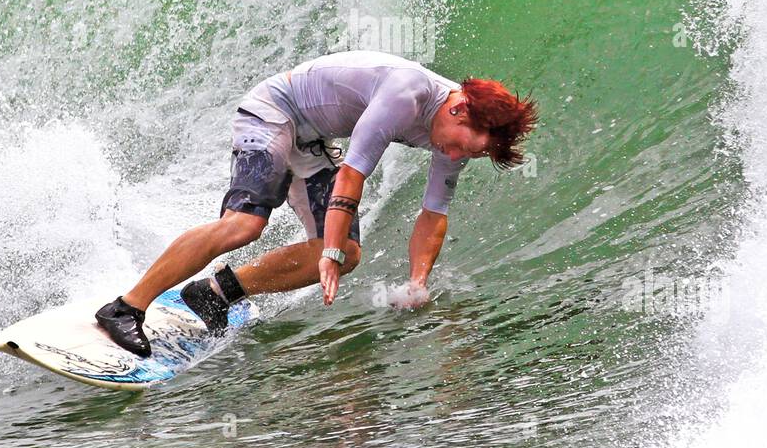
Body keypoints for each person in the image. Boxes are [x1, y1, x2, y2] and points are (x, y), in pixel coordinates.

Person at [94, 50, 537, 353]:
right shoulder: (408, 94)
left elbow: (434, 214)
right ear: (459, 110)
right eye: (463, 145)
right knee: (244, 225)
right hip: (274, 112)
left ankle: (213, 295)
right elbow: (352, 175)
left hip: (312, 140)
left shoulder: (455, 134)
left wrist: (418, 281)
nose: (457, 156)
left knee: (346, 254)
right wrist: (326, 248)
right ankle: (126, 307)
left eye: (472, 154)